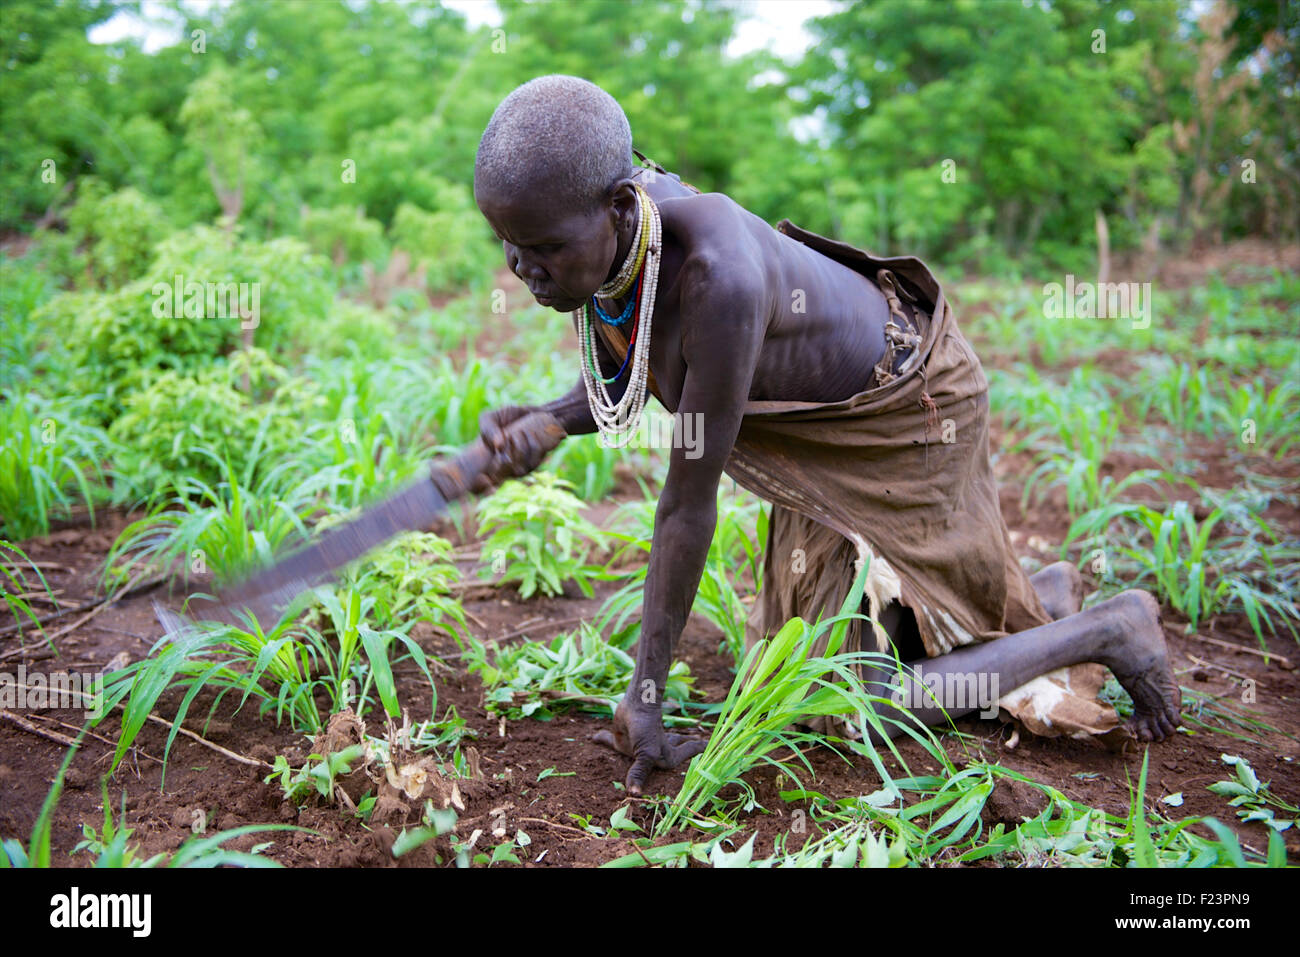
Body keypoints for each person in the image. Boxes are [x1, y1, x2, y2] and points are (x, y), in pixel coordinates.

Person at [470, 75, 1181, 796]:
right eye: (509, 244)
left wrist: (644, 696)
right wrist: (553, 418)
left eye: (544, 246)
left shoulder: (719, 278)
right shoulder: (625, 234)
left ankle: (1109, 630)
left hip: (903, 413)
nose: (524, 268)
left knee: (847, 702)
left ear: (622, 206)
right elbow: (655, 360)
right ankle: (1034, 598)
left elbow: (686, 504)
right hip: (825, 418)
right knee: (794, 667)